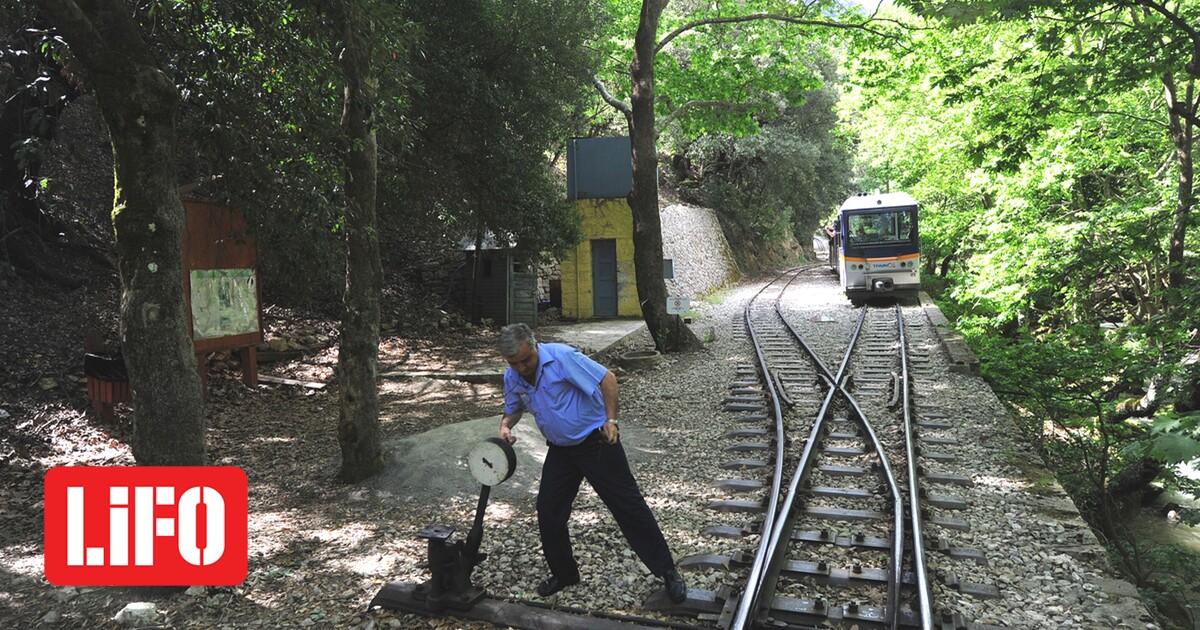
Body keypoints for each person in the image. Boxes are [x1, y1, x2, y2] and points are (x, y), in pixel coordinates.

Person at [497, 323, 687, 604]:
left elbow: (607, 378)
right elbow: (514, 408)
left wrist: (611, 421)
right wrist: (505, 425)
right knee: (548, 511)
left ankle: (667, 571)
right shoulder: (512, 376)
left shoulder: (562, 358)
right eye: (514, 363)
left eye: (526, 360)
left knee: (628, 506)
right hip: (561, 451)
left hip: (595, 442)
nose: (522, 368)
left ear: (535, 346)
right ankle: (565, 574)